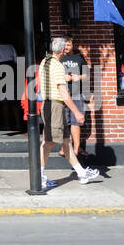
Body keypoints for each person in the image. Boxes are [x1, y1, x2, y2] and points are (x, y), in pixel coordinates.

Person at [38, 38, 99, 189]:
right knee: (48, 142)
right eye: (65, 47)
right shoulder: (57, 66)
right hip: (54, 105)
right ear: (62, 50)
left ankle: (81, 173)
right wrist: (77, 112)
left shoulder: (44, 61)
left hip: (49, 104)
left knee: (66, 141)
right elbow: (63, 92)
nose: (66, 49)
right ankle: (38, 177)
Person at [60, 39, 90, 158]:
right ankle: (65, 147)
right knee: (64, 122)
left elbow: (87, 75)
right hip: (62, 94)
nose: (66, 47)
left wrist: (79, 77)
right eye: (64, 45)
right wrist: (63, 77)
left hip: (77, 93)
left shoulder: (79, 58)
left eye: (68, 44)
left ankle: (76, 148)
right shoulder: (59, 58)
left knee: (76, 122)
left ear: (73, 45)